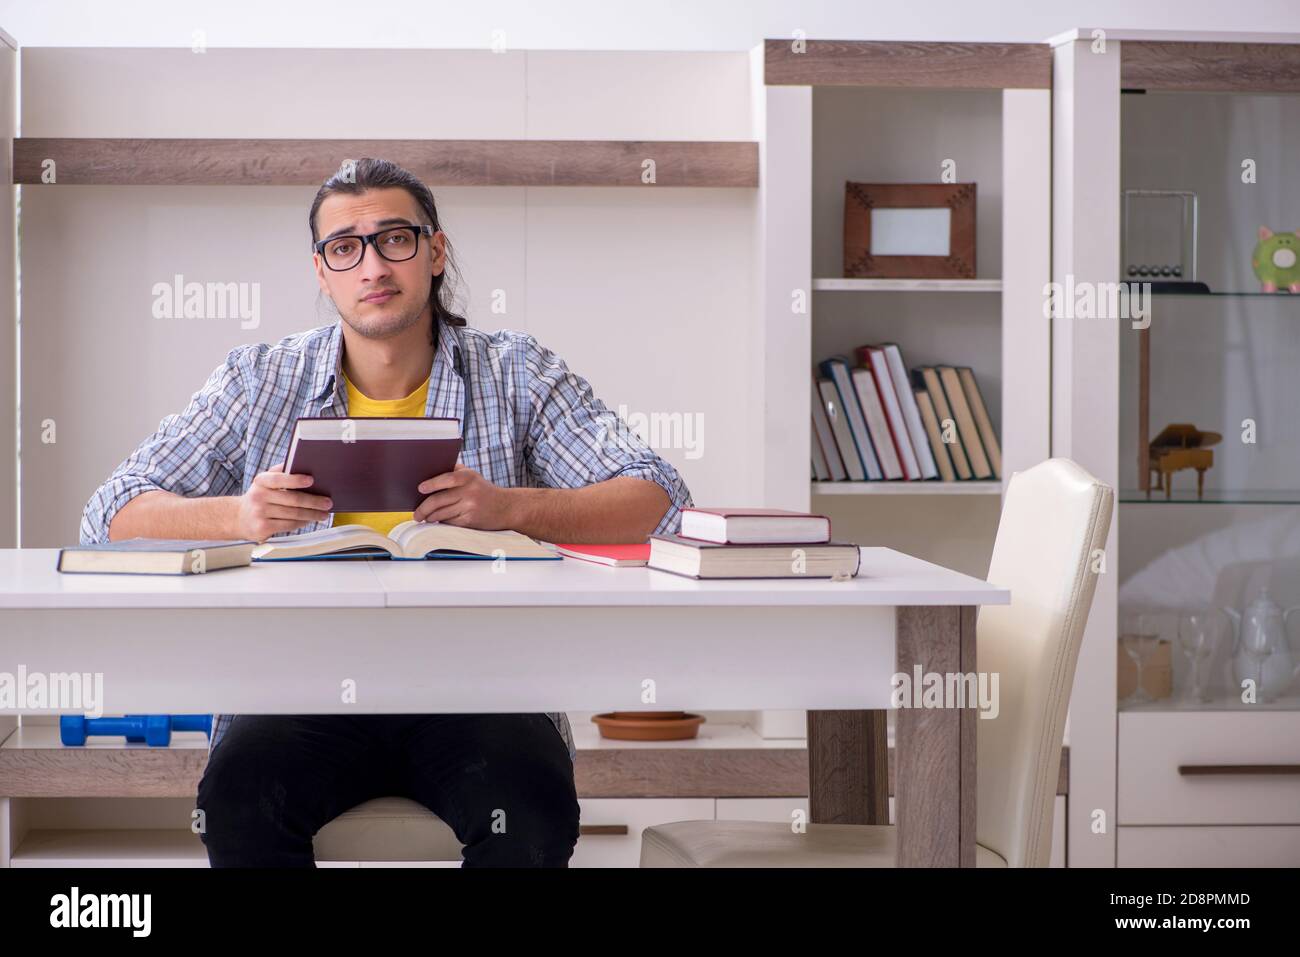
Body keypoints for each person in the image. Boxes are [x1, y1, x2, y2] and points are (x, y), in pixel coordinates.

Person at [80, 157, 693, 866]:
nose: (372, 264)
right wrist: (238, 516)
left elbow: (661, 500)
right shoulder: (259, 378)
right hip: (300, 690)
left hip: (479, 692)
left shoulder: (517, 371)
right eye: (346, 247)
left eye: (395, 239)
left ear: (436, 252)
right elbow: (111, 512)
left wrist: (508, 507)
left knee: (528, 815)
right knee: (239, 804)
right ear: (322, 271)